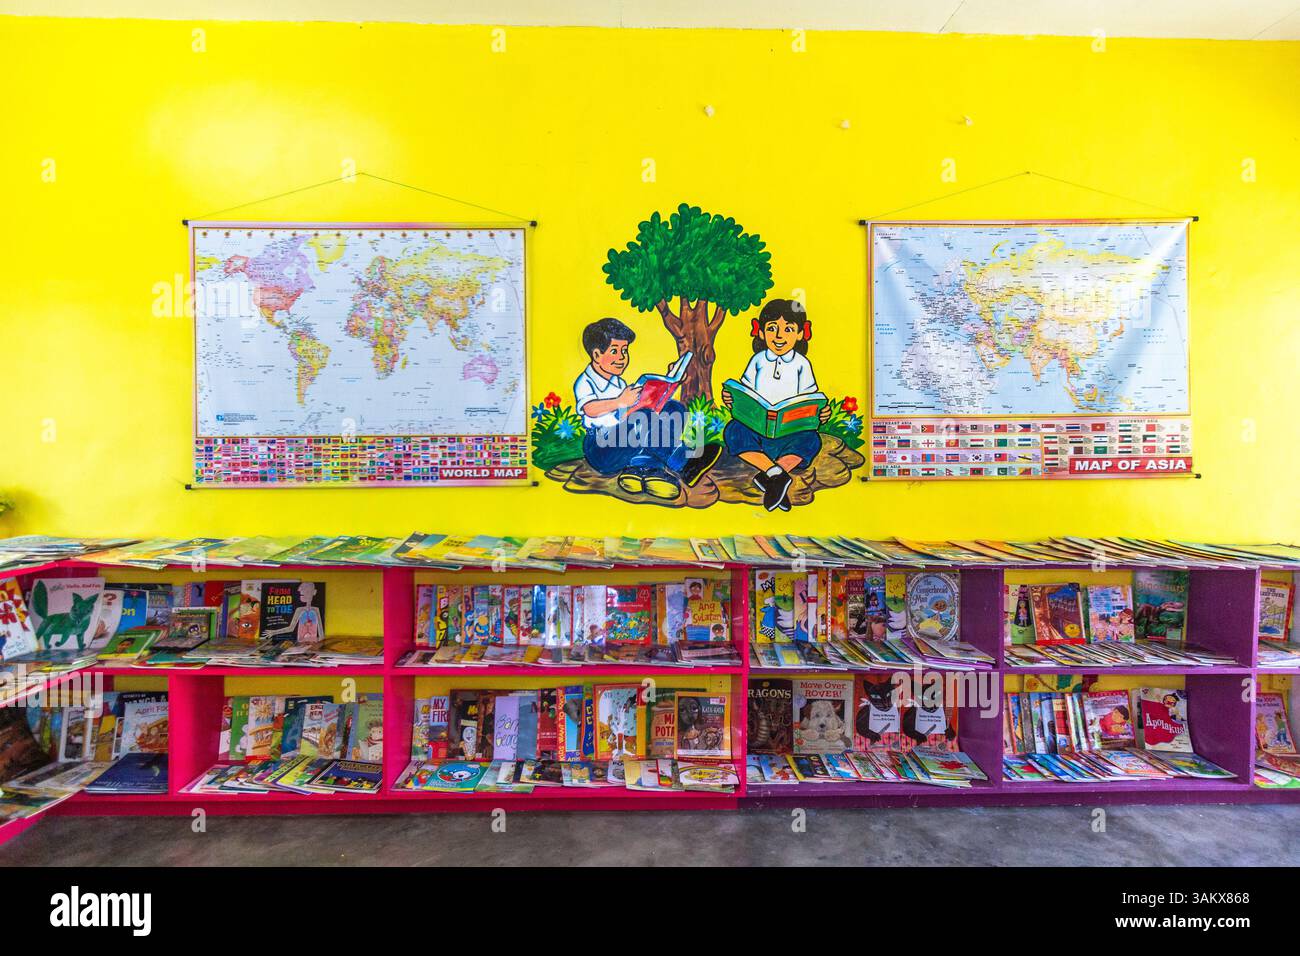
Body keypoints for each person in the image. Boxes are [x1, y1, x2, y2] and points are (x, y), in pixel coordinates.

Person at [573, 317, 720, 499]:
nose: (622, 358)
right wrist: (620, 401)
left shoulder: (618, 382)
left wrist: (669, 382)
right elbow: (589, 409)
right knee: (644, 418)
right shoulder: (585, 382)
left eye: (624, 351)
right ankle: (684, 462)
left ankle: (642, 469)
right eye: (615, 351)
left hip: (623, 442)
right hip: (601, 448)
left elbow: (631, 411)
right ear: (596, 355)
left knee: (674, 409)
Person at [721, 299, 830, 511]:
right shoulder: (758, 361)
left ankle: (772, 477)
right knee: (734, 431)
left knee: (811, 441)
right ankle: (777, 476)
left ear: (800, 334)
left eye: (788, 329)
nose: (779, 336)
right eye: (772, 329)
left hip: (790, 434)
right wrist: (732, 401)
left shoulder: (802, 364)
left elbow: (810, 401)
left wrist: (821, 414)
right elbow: (746, 394)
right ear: (761, 332)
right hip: (757, 433)